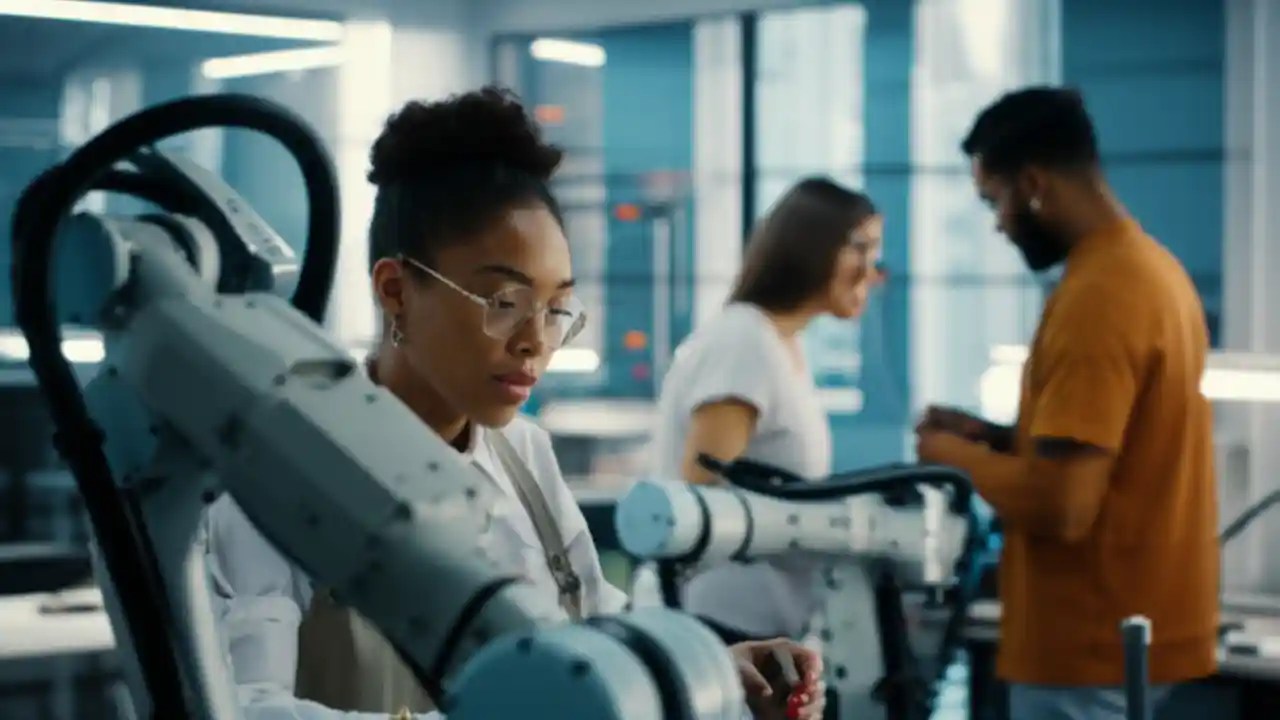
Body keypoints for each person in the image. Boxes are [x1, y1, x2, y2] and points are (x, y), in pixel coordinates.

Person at [202, 87, 826, 720]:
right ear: (395, 290)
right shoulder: (283, 473)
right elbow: (242, 706)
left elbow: (596, 624)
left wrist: (715, 670)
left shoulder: (523, 455)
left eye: (557, 310)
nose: (536, 342)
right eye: (504, 302)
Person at [914, 86, 1218, 719]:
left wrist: (945, 455)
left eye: (994, 200)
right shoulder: (1150, 270)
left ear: (1033, 184)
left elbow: (1063, 504)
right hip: (1131, 633)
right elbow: (1105, 450)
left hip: (1087, 647)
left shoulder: (1098, 298)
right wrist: (993, 438)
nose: (997, 224)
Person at [649, 177, 885, 643]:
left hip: (757, 626)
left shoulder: (780, 346)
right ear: (810, 247)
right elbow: (698, 496)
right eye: (861, 247)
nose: (871, 271)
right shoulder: (744, 342)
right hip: (715, 626)